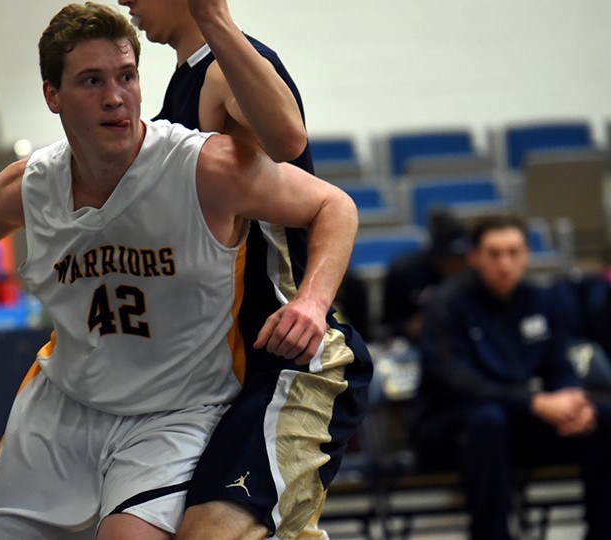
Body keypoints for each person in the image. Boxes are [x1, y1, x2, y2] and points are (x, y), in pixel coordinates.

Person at [0, 4, 361, 538]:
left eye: (126, 77)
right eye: (92, 81)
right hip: (67, 406)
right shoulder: (33, 183)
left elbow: (325, 193)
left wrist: (310, 301)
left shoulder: (202, 161)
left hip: (181, 403)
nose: (115, 97)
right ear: (52, 95)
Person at [116, 1, 372, 538]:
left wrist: (311, 302)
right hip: (220, 372)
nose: (124, 0)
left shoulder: (229, 66)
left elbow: (287, 138)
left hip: (292, 358)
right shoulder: (183, 84)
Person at [413, 214, 611, 540]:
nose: (505, 263)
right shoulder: (446, 304)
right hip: (452, 428)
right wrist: (535, 402)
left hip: (519, 418)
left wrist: (572, 399)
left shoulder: (540, 300)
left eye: (514, 252)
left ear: (527, 255)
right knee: (488, 421)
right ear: (474, 257)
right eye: (494, 253)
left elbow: (559, 365)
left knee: (601, 417)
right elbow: (457, 382)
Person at [382, 208, 470, 341]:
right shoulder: (404, 272)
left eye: (461, 258)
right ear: (436, 253)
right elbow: (388, 325)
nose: (457, 264)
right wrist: (410, 327)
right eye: (450, 258)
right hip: (415, 345)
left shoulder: (473, 270)